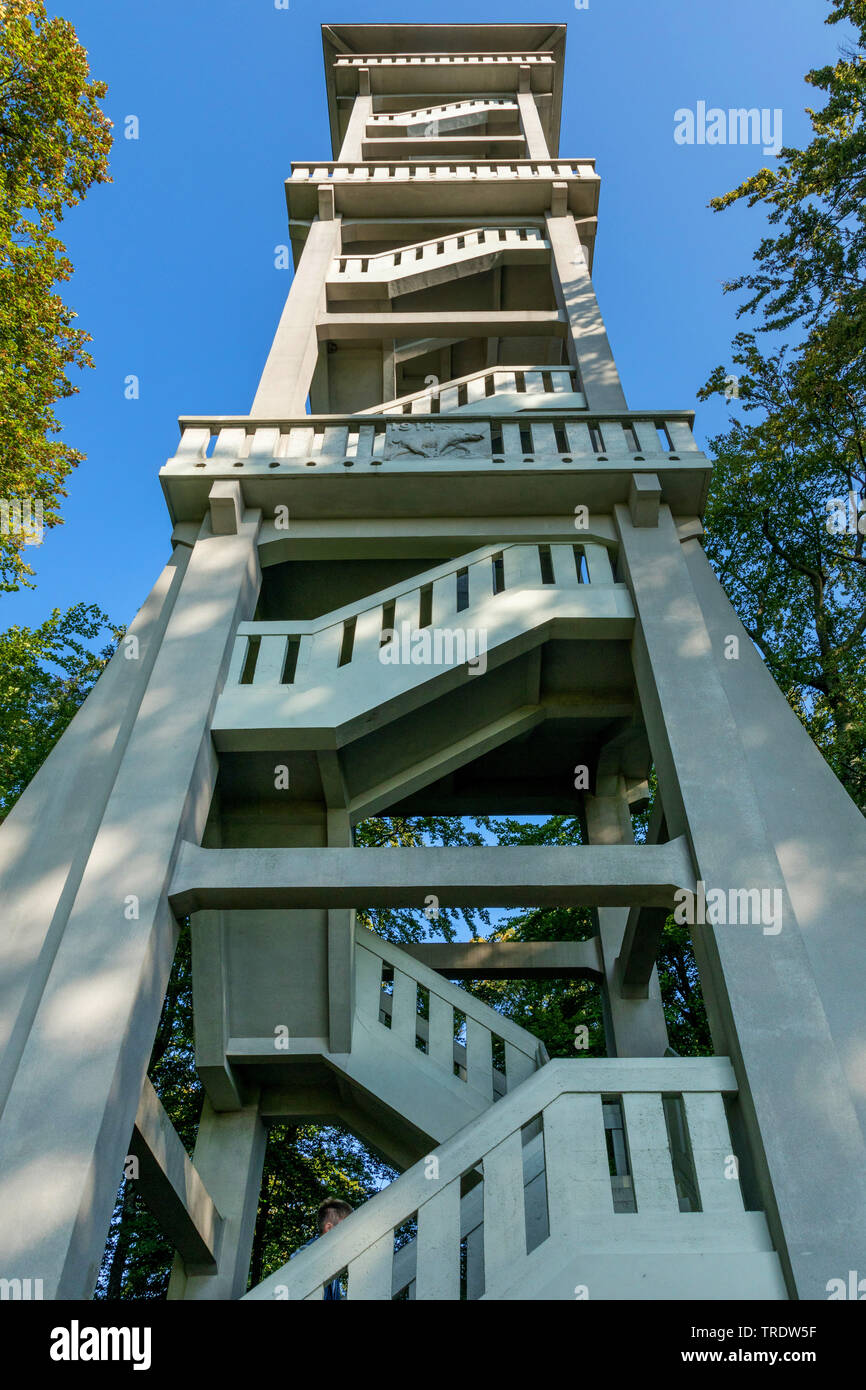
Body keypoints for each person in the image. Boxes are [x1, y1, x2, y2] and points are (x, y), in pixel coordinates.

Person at [291, 1196, 353, 1299]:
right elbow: (295, 1262)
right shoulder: (310, 1251)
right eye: (346, 1227)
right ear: (329, 1228)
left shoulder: (334, 1262)